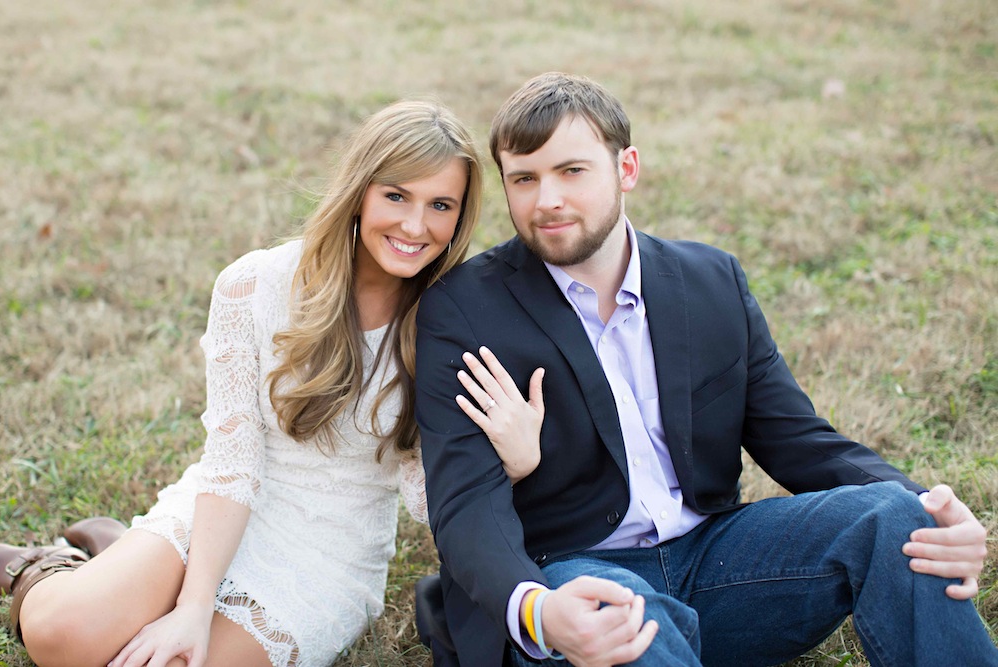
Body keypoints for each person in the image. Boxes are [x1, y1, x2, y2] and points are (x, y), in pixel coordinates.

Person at [414, 72, 997, 666]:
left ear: (627, 169)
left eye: (572, 171)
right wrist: (537, 609)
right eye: (524, 179)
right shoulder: (464, 309)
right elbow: (464, 504)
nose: (547, 200)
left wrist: (929, 510)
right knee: (627, 617)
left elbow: (797, 440)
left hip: (718, 561)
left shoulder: (711, 280)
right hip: (577, 580)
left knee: (895, 516)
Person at [0, 100, 541, 667]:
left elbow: (426, 494)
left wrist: (514, 464)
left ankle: (117, 558)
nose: (414, 225)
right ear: (360, 190)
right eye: (396, 195)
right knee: (60, 635)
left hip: (329, 553)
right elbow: (233, 462)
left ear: (460, 216)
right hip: (227, 504)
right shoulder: (255, 285)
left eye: (440, 205)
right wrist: (192, 603)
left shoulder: (450, 322)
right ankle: (44, 567)